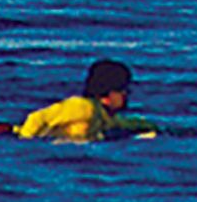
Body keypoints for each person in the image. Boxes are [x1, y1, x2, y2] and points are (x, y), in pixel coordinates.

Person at [12, 58, 157, 141]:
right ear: (108, 93)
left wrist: (154, 127)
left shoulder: (104, 115)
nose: (126, 96)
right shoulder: (83, 108)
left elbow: (127, 123)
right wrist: (25, 141)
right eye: (123, 91)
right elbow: (36, 118)